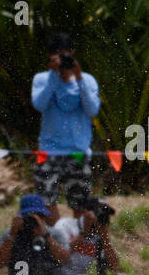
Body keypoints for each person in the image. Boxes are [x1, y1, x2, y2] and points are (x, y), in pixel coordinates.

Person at [30, 32, 101, 223]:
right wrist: (54, 76)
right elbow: (39, 104)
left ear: (73, 53)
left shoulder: (88, 80)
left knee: (80, 204)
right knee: (46, 202)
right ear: (49, 56)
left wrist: (79, 79)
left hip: (77, 152)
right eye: (57, 55)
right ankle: (57, 241)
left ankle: (75, 244)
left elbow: (93, 109)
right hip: (49, 151)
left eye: (66, 54)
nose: (63, 59)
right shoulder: (41, 79)